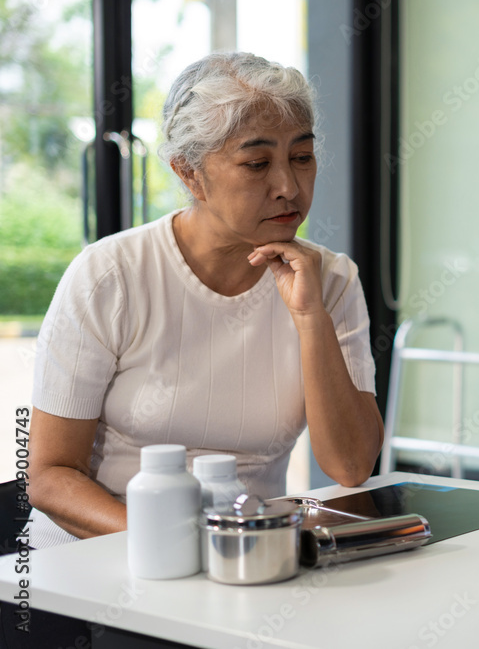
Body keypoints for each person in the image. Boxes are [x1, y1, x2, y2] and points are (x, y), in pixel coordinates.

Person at [27, 52, 383, 549]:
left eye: (301, 157)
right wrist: (184, 544)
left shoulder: (331, 279)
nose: (288, 186)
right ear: (190, 174)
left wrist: (309, 317)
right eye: (257, 163)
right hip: (98, 552)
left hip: (247, 558)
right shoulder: (111, 273)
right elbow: (49, 476)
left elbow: (350, 466)